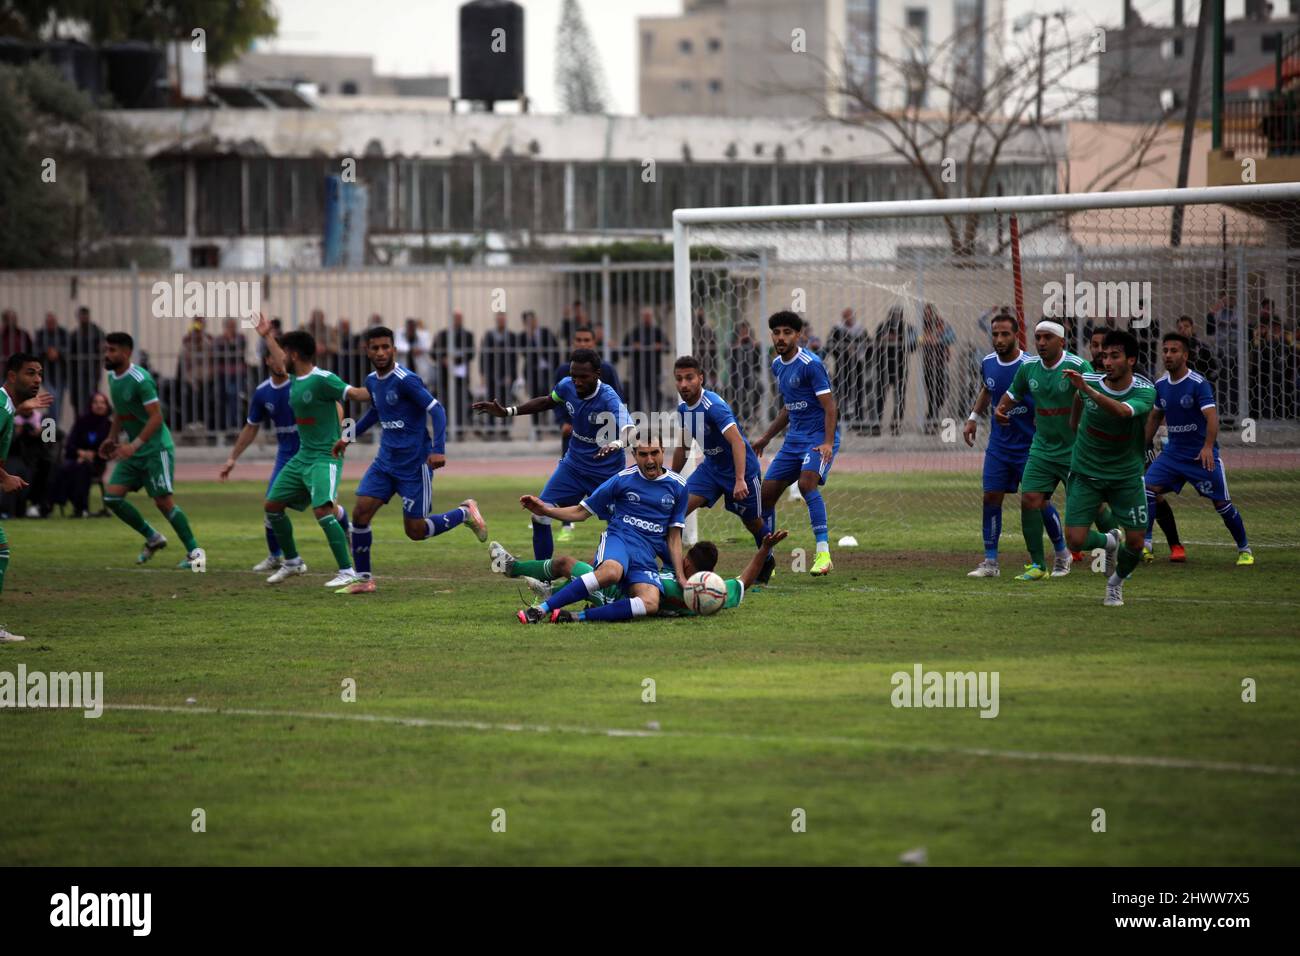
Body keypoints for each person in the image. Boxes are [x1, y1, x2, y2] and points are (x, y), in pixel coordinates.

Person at [332, 325, 488, 594]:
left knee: (415, 531)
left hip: (415, 465)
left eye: (385, 347)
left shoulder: (406, 379)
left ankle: (464, 513)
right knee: (360, 513)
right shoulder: (371, 380)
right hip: (385, 462)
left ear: (394, 348)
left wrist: (438, 448)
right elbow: (375, 412)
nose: (381, 353)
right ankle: (364, 579)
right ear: (366, 350)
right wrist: (348, 435)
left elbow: (437, 410)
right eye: (375, 348)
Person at [473, 347, 631, 560]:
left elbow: (630, 429)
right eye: (574, 376)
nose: (578, 382)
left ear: (597, 375)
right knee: (540, 514)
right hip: (573, 468)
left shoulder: (609, 398)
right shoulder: (567, 386)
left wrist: (618, 443)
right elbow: (548, 401)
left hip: (607, 474)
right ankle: (543, 578)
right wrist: (509, 411)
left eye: (584, 377)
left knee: (623, 525)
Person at [514, 439, 688, 624]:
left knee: (650, 603)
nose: (650, 460)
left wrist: (681, 576)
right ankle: (540, 609)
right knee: (611, 573)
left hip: (644, 555)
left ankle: (575, 617)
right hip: (619, 540)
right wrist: (546, 510)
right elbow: (581, 512)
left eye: (654, 452)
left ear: (663, 450)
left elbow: (674, 537)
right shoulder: (622, 479)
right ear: (634, 455)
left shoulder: (678, 486)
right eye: (643, 454)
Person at [253, 315, 369, 587]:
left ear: (294, 354)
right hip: (302, 457)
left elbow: (355, 395)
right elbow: (279, 360)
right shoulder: (294, 377)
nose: (280, 359)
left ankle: (347, 571)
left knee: (323, 511)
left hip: (324, 458)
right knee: (272, 506)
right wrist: (266, 336)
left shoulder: (323, 379)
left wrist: (383, 385)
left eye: (285, 352)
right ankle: (292, 562)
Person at [994, 320, 1114, 580]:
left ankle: (1114, 543)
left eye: (1047, 337)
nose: (1041, 343)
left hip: (1076, 451)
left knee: (1092, 509)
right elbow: (1012, 393)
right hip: (1042, 449)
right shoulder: (1029, 369)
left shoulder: (1077, 366)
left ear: (1061, 341)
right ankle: (1038, 565)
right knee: (1030, 499)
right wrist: (1000, 409)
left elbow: (1100, 398)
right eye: (1037, 337)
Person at [962, 313, 1068, 577]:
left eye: (1004, 334)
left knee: (1038, 502)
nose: (998, 339)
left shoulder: (1032, 365)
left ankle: (1062, 552)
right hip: (999, 444)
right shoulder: (987, 362)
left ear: (1016, 335)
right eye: (995, 334)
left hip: (1031, 445)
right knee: (990, 497)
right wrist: (973, 418)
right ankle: (990, 562)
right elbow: (988, 389)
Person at [490, 530, 789, 619]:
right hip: (626, 591)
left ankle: (513, 568)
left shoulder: (675, 587)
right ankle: (549, 593)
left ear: (686, 563)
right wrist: (763, 549)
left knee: (569, 564)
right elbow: (743, 582)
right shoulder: (713, 590)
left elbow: (639, 590)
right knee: (579, 570)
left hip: (614, 596)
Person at [1061, 329, 1154, 607]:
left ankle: (1115, 583)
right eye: (1104, 356)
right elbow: (1079, 399)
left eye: (1115, 356)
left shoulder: (1145, 390)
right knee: (1075, 541)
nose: (1108, 362)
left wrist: (1087, 390)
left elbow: (1122, 412)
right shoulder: (1089, 381)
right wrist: (1074, 426)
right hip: (1086, 473)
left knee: (1137, 543)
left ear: (1131, 360)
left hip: (1126, 476)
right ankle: (1110, 540)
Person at [1144, 332, 1253, 566]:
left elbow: (1212, 417)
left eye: (1174, 351)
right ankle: (1146, 544)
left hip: (1200, 455)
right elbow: (1155, 415)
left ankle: (1245, 549)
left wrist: (1207, 447)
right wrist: (1142, 444)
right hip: (1173, 454)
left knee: (1222, 505)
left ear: (1185, 355)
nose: (1168, 355)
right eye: (1165, 351)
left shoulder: (1197, 383)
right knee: (1147, 488)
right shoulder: (1161, 384)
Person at [99, 333, 204, 569]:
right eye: (106, 349)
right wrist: (111, 438)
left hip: (156, 449)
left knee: (163, 502)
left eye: (112, 350)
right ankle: (153, 537)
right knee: (112, 497)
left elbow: (157, 417)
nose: (107, 354)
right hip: (133, 450)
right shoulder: (113, 377)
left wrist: (133, 445)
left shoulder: (140, 379)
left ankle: (196, 555)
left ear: (126, 352)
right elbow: (120, 411)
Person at [751, 311, 840, 577]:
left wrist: (826, 443)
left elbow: (830, 407)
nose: (781, 337)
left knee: (806, 484)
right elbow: (789, 408)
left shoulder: (810, 364)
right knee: (765, 496)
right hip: (794, 439)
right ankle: (766, 561)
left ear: (798, 335)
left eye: (787, 332)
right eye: (777, 332)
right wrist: (766, 437)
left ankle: (823, 554)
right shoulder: (778, 364)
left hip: (817, 437)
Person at [669, 355, 771, 581]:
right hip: (711, 470)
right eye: (679, 379)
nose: (684, 384)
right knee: (676, 511)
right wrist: (671, 478)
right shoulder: (684, 410)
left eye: (689, 378)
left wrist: (740, 479)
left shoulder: (713, 406)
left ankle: (767, 558)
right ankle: (672, 568)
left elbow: (737, 442)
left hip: (741, 471)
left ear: (701, 378)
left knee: (753, 522)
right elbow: (684, 447)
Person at [218, 349, 312, 572]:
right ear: (268, 360)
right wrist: (232, 458)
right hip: (285, 456)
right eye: (275, 357)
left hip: (310, 452)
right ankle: (276, 556)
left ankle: (346, 531)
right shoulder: (262, 393)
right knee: (271, 504)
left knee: (325, 507)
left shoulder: (300, 383)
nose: (280, 362)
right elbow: (251, 427)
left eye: (284, 357)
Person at [551, 328, 625, 543]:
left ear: (594, 342)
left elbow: (617, 401)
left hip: (603, 440)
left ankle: (617, 534)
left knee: (612, 500)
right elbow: (555, 400)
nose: (583, 343)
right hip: (574, 433)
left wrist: (614, 434)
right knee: (568, 478)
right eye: (578, 340)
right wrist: (563, 421)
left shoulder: (607, 370)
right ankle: (566, 524)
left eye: (587, 340)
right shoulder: (564, 372)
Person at [0, 352, 50, 642]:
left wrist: (21, 408)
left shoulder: (7, 405)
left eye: (40, 373)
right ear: (11, 375)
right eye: (30, 373)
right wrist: (4, 477)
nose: (38, 379)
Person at [50, 391, 112, 517]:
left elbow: (109, 449)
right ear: (90, 405)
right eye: (96, 402)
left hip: (97, 463)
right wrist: (81, 453)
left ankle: (81, 508)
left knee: (82, 468)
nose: (99, 405)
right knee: (61, 469)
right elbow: (70, 444)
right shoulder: (81, 422)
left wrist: (91, 456)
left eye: (102, 403)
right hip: (76, 459)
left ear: (107, 406)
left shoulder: (109, 425)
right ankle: (50, 505)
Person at [871, 305, 916, 435]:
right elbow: (876, 343)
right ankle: (876, 425)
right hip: (883, 367)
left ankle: (896, 424)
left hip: (900, 367)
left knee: (900, 398)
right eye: (893, 314)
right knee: (880, 397)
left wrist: (898, 340)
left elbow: (913, 346)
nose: (895, 317)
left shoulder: (908, 328)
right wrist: (884, 340)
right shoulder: (883, 327)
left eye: (898, 314)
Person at [435, 311, 475, 441]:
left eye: (459, 318)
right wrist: (444, 359)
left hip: (461, 377)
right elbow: (433, 352)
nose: (457, 321)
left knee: (461, 404)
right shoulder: (442, 335)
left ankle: (459, 431)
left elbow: (471, 353)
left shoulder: (467, 335)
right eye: (455, 318)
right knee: (445, 404)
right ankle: (446, 431)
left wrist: (457, 358)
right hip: (445, 377)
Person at [826, 308, 868, 431]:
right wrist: (843, 351)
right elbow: (830, 345)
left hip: (857, 365)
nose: (848, 319)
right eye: (845, 317)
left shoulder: (860, 330)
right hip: (842, 366)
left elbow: (868, 345)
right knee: (840, 394)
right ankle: (840, 421)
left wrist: (856, 350)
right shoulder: (837, 330)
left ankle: (858, 422)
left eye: (850, 316)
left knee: (858, 393)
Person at [622, 308, 669, 414]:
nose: (647, 318)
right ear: (642, 317)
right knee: (636, 397)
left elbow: (668, 347)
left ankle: (655, 419)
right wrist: (633, 347)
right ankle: (636, 420)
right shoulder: (635, 332)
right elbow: (624, 350)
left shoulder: (657, 332)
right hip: (637, 370)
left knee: (654, 397)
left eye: (649, 316)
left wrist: (660, 346)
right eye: (645, 316)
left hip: (653, 370)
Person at [480, 311, 517, 440]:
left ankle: (505, 430)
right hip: (491, 373)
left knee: (507, 402)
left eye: (503, 319)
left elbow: (514, 357)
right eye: (499, 319)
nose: (501, 321)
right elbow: (483, 356)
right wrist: (483, 374)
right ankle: (490, 430)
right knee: (491, 401)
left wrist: (511, 375)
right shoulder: (489, 335)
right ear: (496, 321)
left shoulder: (511, 336)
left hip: (506, 373)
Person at [920, 303, 955, 434]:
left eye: (929, 312)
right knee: (931, 395)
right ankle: (931, 424)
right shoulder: (920, 324)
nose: (927, 315)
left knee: (944, 392)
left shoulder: (941, 323)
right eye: (926, 312)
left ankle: (930, 418)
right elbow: (915, 338)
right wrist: (925, 339)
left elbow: (952, 337)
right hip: (928, 365)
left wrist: (938, 340)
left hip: (941, 363)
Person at [67, 306, 104, 420]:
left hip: (92, 371)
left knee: (92, 399)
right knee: (77, 401)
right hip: (77, 374)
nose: (83, 318)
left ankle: (92, 423)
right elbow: (70, 353)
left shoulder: (97, 332)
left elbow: (103, 347)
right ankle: (80, 424)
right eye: (81, 316)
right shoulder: (74, 334)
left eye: (85, 315)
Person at [34, 313, 69, 427]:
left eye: (52, 322)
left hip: (62, 374)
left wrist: (58, 352)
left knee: (57, 403)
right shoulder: (40, 334)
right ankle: (54, 429)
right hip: (46, 374)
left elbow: (69, 348)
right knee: (53, 397)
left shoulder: (63, 333)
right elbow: (35, 350)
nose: (51, 325)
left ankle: (52, 430)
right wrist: (47, 352)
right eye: (48, 323)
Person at [729, 320, 765, 426]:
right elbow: (727, 356)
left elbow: (758, 364)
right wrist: (739, 343)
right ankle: (739, 416)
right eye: (742, 331)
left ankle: (751, 413)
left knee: (760, 388)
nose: (744, 334)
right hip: (736, 377)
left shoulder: (753, 344)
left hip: (750, 376)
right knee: (734, 391)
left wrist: (756, 346)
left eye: (746, 331)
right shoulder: (733, 344)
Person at [520, 310, 560, 400]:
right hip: (533, 370)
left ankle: (545, 412)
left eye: (532, 320)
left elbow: (555, 349)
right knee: (534, 396)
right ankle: (536, 413)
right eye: (528, 321)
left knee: (547, 393)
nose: (531, 323)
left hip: (547, 369)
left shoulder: (545, 332)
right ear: (525, 323)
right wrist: (530, 339)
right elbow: (525, 354)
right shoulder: (523, 336)